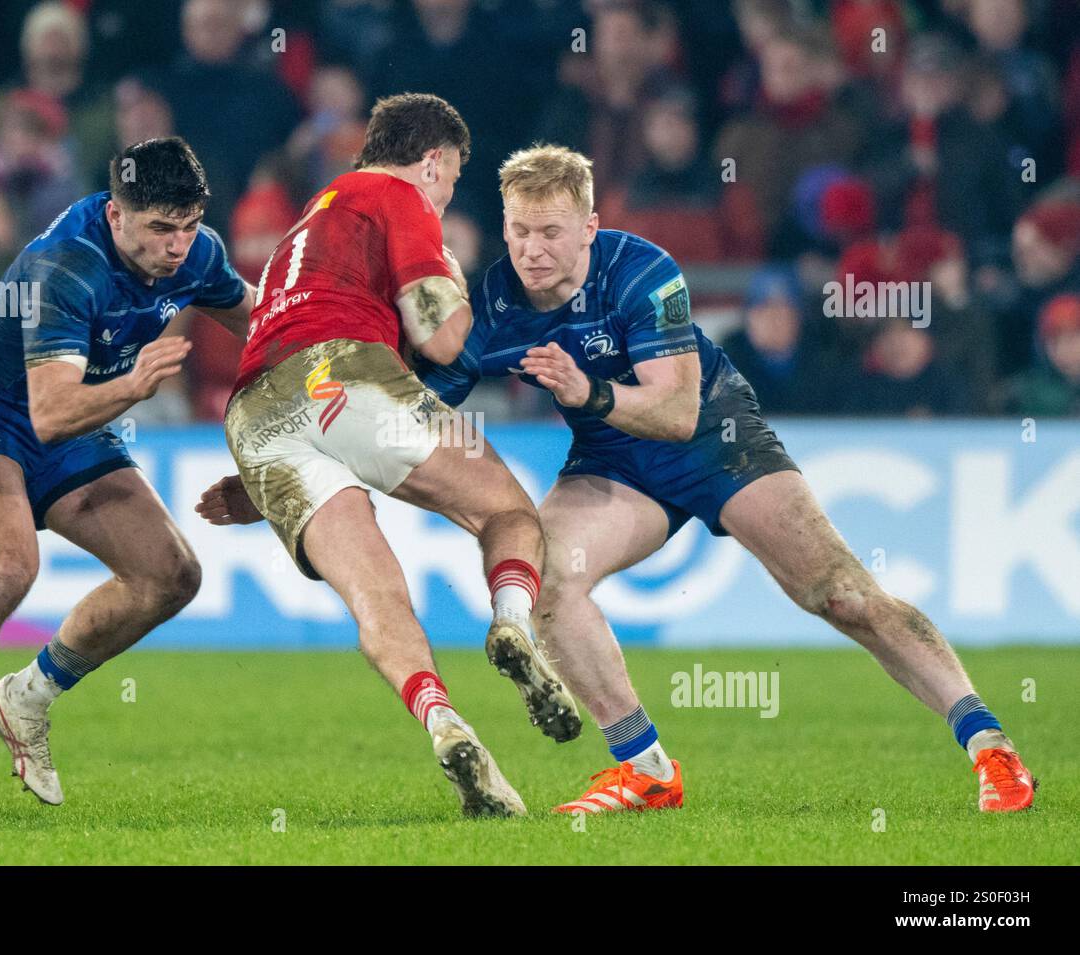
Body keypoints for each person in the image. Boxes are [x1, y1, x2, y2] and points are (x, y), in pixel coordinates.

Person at [417, 144, 1035, 815]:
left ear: (588, 228)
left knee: (841, 593)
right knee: (550, 578)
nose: (531, 250)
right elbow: (425, 392)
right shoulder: (494, 301)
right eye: (519, 232)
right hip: (613, 461)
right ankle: (646, 769)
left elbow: (678, 413)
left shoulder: (643, 272)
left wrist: (589, 392)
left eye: (550, 233)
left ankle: (991, 747)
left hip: (715, 438)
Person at [196, 94, 578, 818]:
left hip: (253, 417)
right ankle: (512, 624)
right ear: (432, 160)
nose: (445, 193)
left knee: (375, 593)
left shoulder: (309, 220)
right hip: (342, 372)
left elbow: (287, 373)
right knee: (506, 510)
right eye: (453, 178)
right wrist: (463, 279)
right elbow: (440, 341)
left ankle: (444, 721)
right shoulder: (398, 195)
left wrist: (257, 484)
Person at [0, 137, 253, 817]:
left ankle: (26, 698)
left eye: (189, 225)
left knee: (172, 573)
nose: (178, 246)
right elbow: (49, 412)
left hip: (75, 417)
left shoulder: (197, 252)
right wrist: (133, 384)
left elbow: (267, 322)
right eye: (161, 227)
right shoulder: (66, 267)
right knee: (8, 568)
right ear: (116, 215)